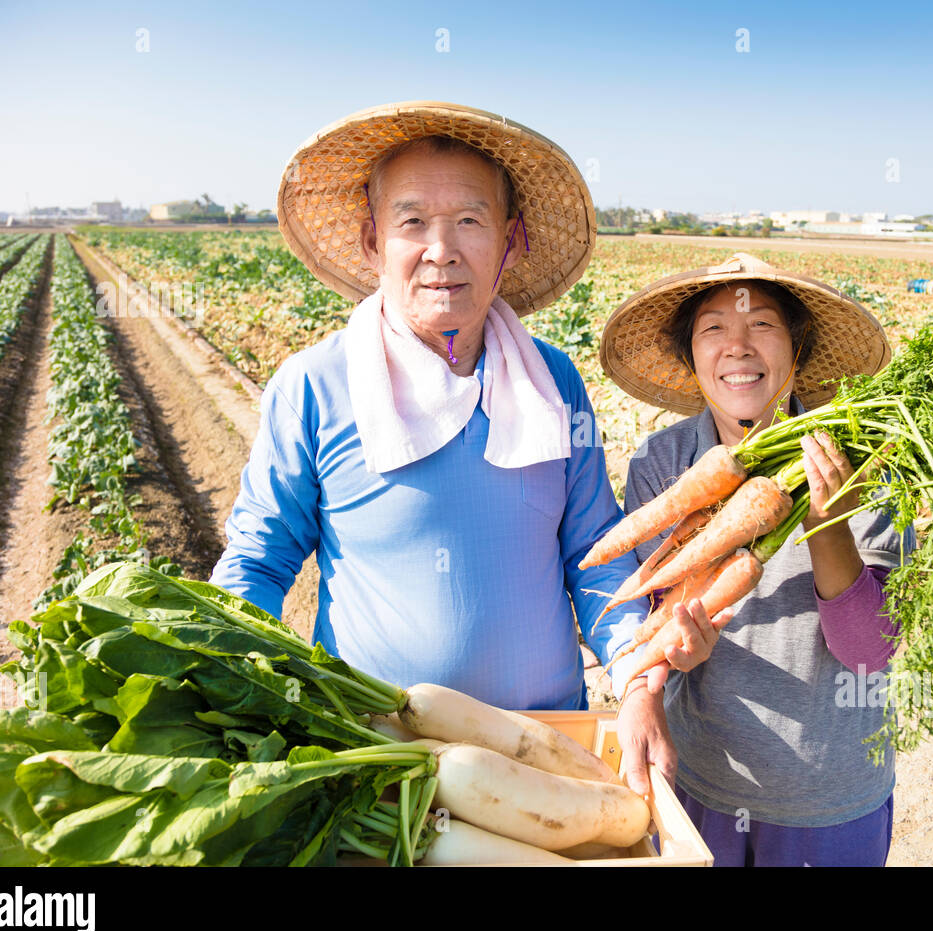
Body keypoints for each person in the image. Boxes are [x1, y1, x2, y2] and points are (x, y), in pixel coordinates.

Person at [210, 102, 723, 715]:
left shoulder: (552, 380)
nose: (442, 250)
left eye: (470, 220)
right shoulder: (315, 386)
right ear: (375, 241)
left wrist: (636, 672)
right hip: (373, 752)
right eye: (413, 221)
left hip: (545, 748)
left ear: (511, 241)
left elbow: (594, 555)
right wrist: (219, 674)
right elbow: (258, 560)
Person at [600, 253, 913, 865]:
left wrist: (827, 524)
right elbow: (656, 611)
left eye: (762, 325)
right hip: (697, 781)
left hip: (827, 793)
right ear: (691, 357)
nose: (736, 346)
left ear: (797, 352)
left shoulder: (866, 463)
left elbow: (869, 652)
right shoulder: (663, 463)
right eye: (713, 329)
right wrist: (667, 660)